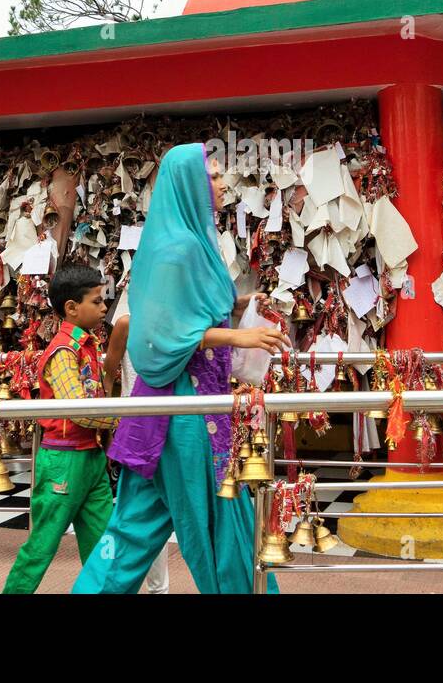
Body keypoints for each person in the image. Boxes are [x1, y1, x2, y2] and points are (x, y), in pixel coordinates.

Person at [73, 143, 288, 594]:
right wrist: (237, 336)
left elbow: (195, 312)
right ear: (188, 183)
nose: (222, 182)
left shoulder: (192, 237)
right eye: (211, 175)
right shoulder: (180, 247)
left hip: (168, 409)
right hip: (185, 414)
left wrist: (242, 305)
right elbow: (161, 329)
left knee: (132, 533)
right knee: (218, 524)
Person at [3, 264, 118, 593]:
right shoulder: (64, 351)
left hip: (90, 459)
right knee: (41, 548)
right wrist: (125, 417)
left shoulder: (86, 345)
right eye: (96, 301)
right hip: (64, 463)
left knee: (103, 549)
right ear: (71, 307)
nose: (103, 307)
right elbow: (79, 410)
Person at [105, 290, 170, 593]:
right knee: (137, 513)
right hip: (134, 428)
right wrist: (108, 422)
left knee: (156, 512)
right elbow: (110, 371)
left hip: (171, 425)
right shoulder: (126, 324)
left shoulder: (177, 324)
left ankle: (158, 589)